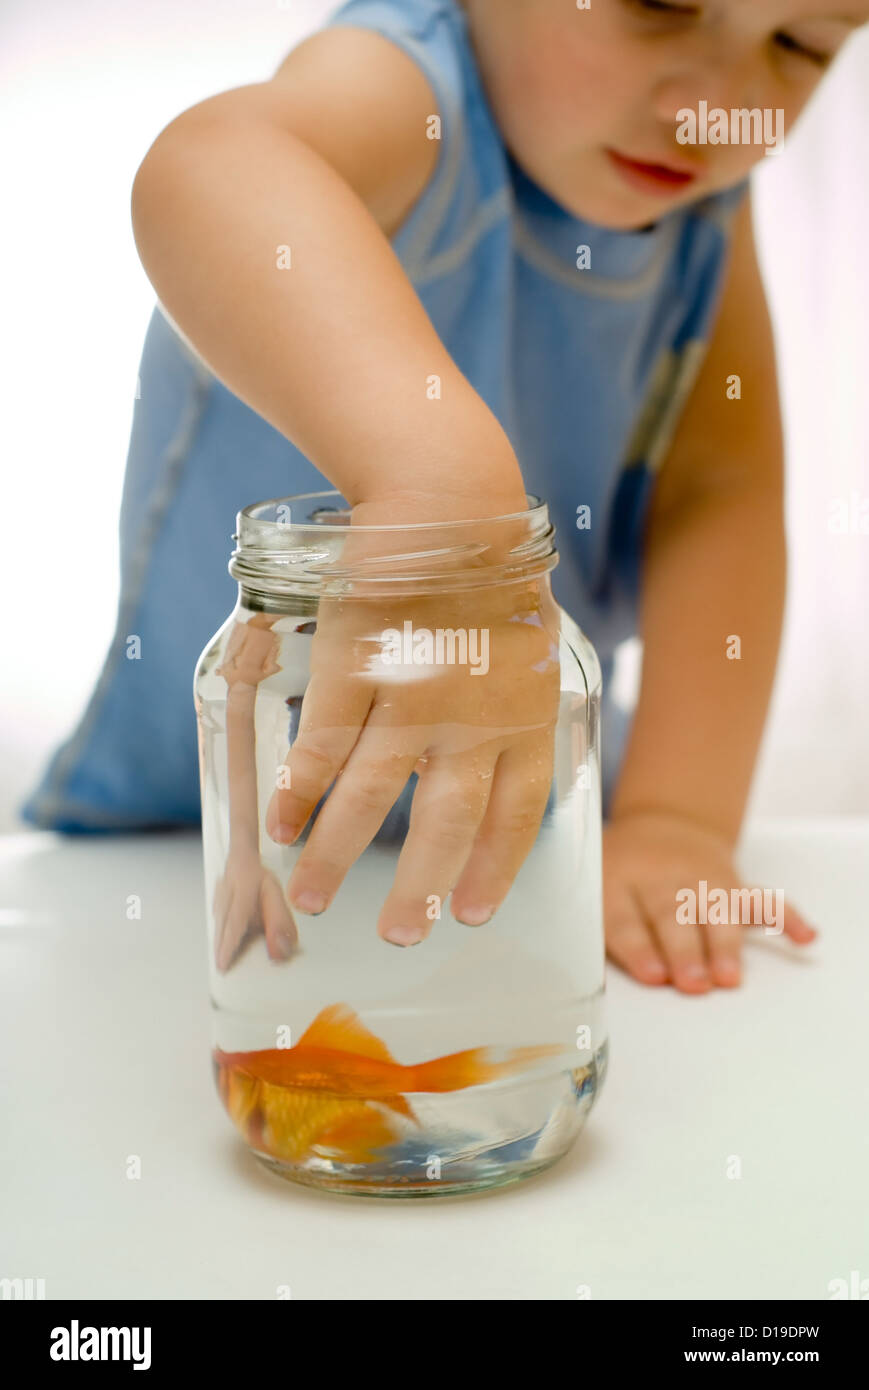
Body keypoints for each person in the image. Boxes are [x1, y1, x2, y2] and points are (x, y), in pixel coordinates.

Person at [26, 0, 860, 988]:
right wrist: (439, 489)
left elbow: (716, 495)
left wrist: (675, 821)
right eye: (655, 7)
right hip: (206, 820)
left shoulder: (697, 207)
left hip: (515, 814)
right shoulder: (405, 90)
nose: (718, 111)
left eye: (799, 46)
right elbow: (210, 165)